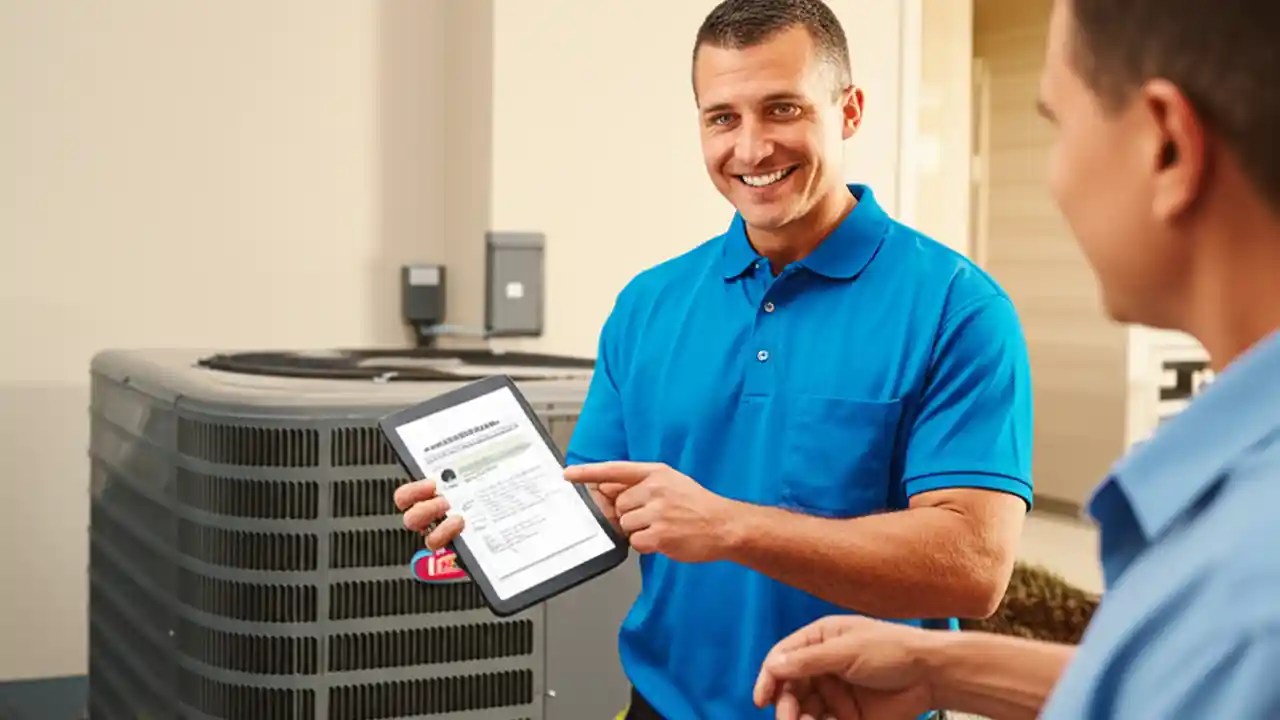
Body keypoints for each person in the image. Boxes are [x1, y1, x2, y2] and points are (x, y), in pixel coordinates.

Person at [398, 0, 1033, 717]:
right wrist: (494, 514)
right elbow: (608, 501)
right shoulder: (649, 302)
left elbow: (975, 567)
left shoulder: (957, 306)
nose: (752, 149)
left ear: (849, 111)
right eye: (722, 118)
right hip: (661, 704)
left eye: (783, 109)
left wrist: (730, 525)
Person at [751, 0, 1280, 717]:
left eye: (1058, 126)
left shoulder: (1253, 570)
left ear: (1167, 148)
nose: (1055, 179)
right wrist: (943, 666)